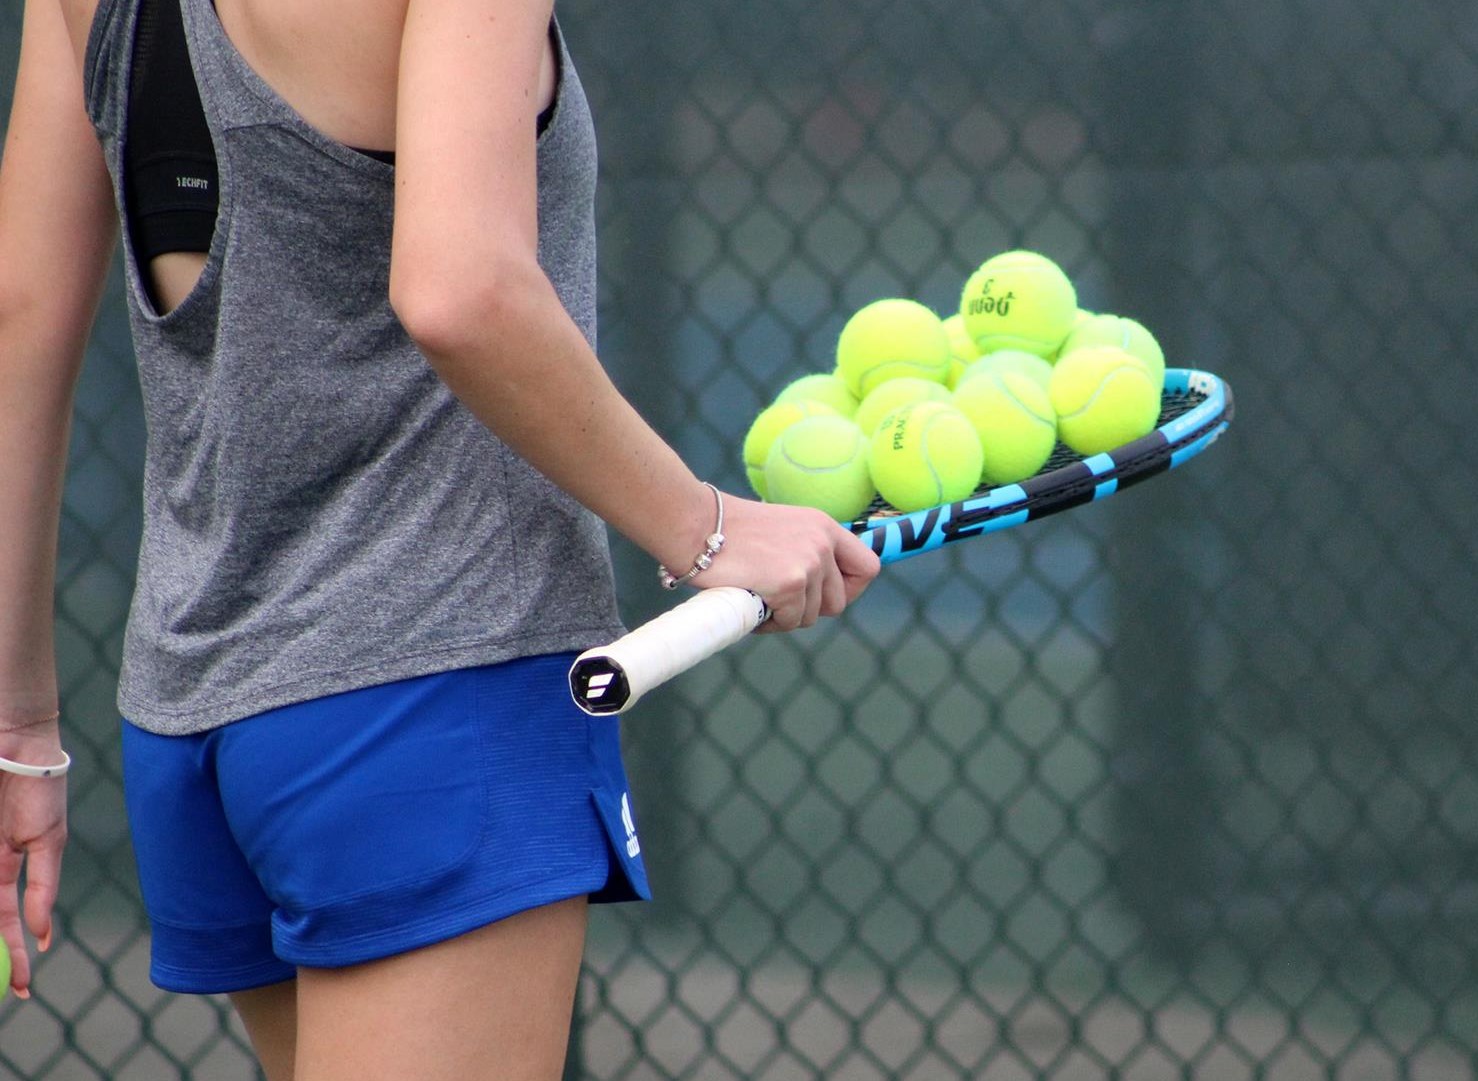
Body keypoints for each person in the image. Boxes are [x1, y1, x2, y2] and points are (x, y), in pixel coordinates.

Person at [0, 0, 880, 1076]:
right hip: (430, 698)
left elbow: (17, 314)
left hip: (194, 727)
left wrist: (17, 729)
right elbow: (460, 289)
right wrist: (705, 529)